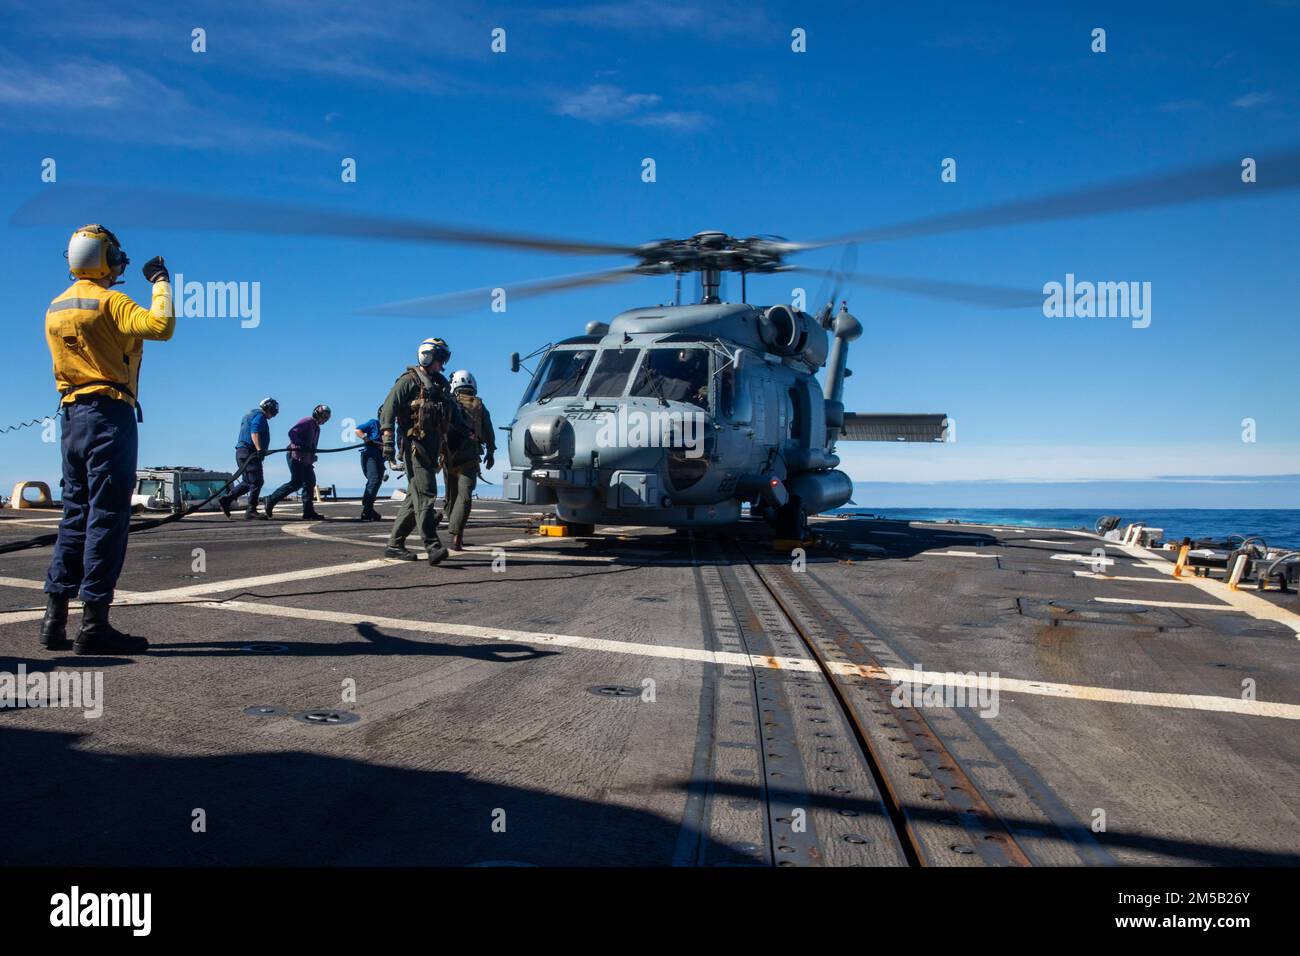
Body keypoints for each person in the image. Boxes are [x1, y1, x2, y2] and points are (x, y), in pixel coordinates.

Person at [39, 224, 174, 655]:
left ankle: (54, 618)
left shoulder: (56, 306)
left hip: (71, 417)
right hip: (109, 416)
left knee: (74, 514)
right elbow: (161, 325)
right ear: (105, 257)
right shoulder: (111, 300)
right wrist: (161, 284)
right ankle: (94, 622)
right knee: (108, 516)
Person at [379, 337, 471, 565]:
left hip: (432, 449)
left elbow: (452, 410)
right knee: (427, 494)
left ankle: (394, 545)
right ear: (428, 356)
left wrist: (466, 429)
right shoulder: (408, 382)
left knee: (414, 499)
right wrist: (388, 439)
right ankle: (432, 546)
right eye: (440, 359)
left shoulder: (439, 384)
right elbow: (387, 410)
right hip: (415, 447)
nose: (442, 364)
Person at [443, 369, 496, 551]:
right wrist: (491, 452)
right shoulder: (479, 405)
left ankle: (454, 531)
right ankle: (457, 535)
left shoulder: (447, 402)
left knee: (451, 496)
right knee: (464, 496)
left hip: (448, 456)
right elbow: (488, 431)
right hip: (469, 457)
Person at [264, 404, 331, 520]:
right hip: (295, 456)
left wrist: (312, 456)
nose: (325, 420)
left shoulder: (317, 428)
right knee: (297, 482)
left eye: (327, 418)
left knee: (310, 482)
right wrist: (301, 445)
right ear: (317, 414)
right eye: (324, 416)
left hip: (306, 460)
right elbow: (292, 433)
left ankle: (308, 512)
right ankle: (270, 499)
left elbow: (312, 445)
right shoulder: (307, 421)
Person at [218, 397, 278, 520]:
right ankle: (251, 510)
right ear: (268, 408)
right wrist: (259, 449)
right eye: (273, 409)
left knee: (247, 482)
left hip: (241, 452)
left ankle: (226, 500)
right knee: (257, 481)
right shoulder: (259, 416)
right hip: (249, 453)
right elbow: (254, 432)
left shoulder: (249, 415)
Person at [355, 410, 384, 521]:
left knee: (377, 481)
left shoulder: (389, 428)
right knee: (374, 479)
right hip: (370, 456)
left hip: (380, 458)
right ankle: (367, 509)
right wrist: (366, 438)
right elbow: (357, 430)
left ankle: (368, 507)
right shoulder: (374, 423)